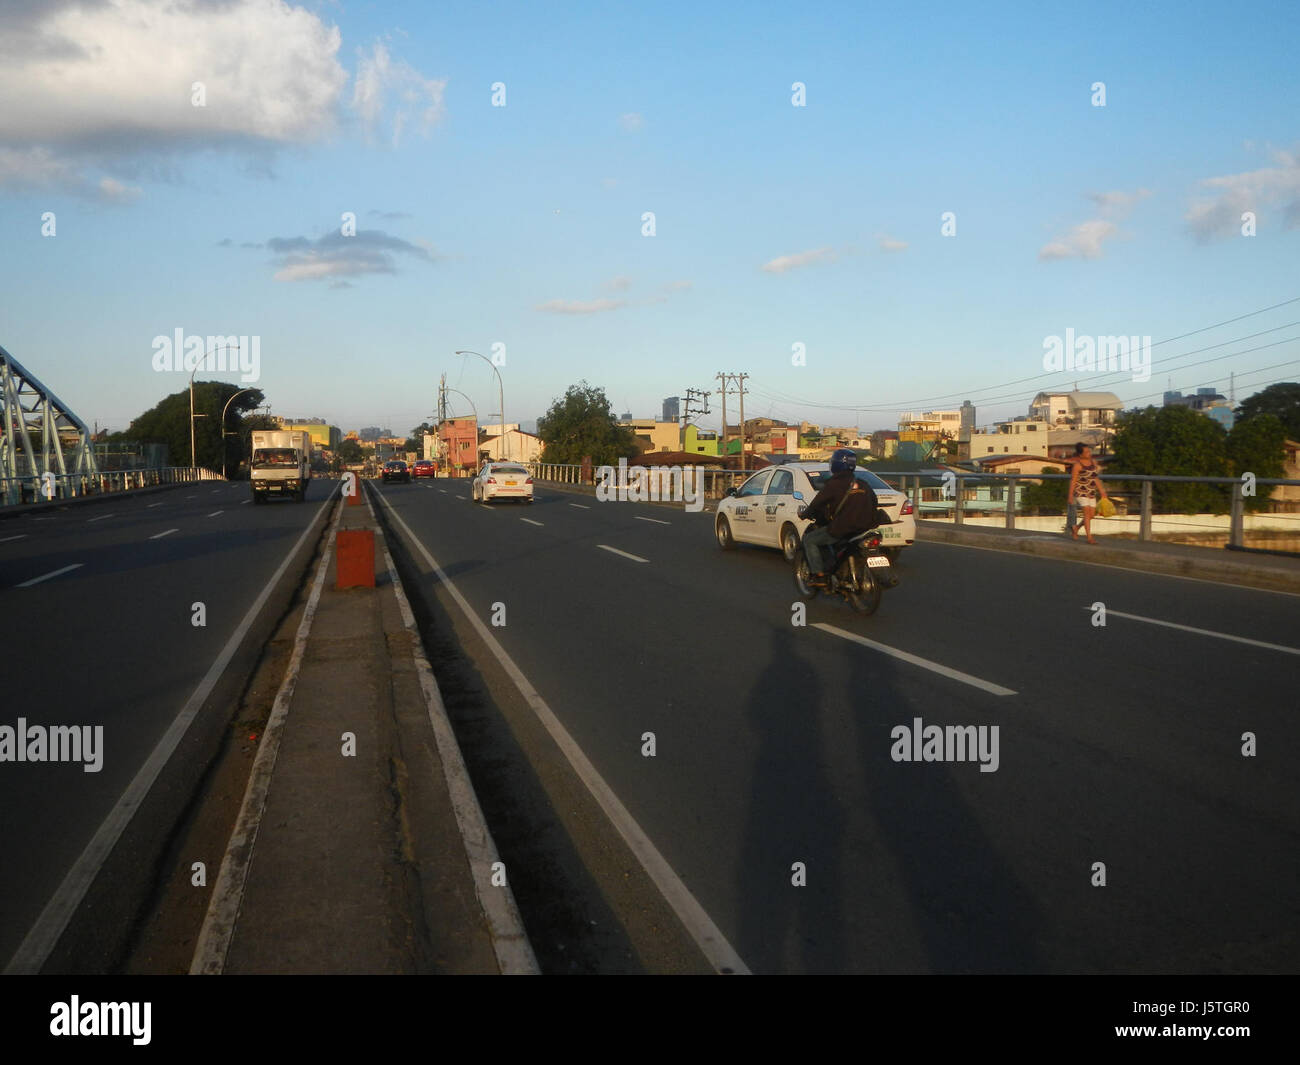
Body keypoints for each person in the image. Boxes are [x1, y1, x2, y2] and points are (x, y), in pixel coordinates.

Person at [799, 449, 879, 583]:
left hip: (843, 528)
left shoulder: (834, 484)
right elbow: (874, 501)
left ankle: (819, 576)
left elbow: (817, 504)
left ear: (836, 464)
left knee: (809, 540)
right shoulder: (863, 484)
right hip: (865, 527)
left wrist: (805, 514)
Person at [1067, 443, 1108, 544]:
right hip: (1081, 491)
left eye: (1089, 451)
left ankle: (1076, 528)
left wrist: (1102, 490)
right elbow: (1073, 480)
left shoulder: (1093, 462)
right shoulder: (1077, 465)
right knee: (1086, 513)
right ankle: (1089, 537)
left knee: (1091, 515)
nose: (1089, 453)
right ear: (1080, 454)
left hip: (1091, 491)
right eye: (1086, 452)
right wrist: (1070, 495)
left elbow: (1095, 477)